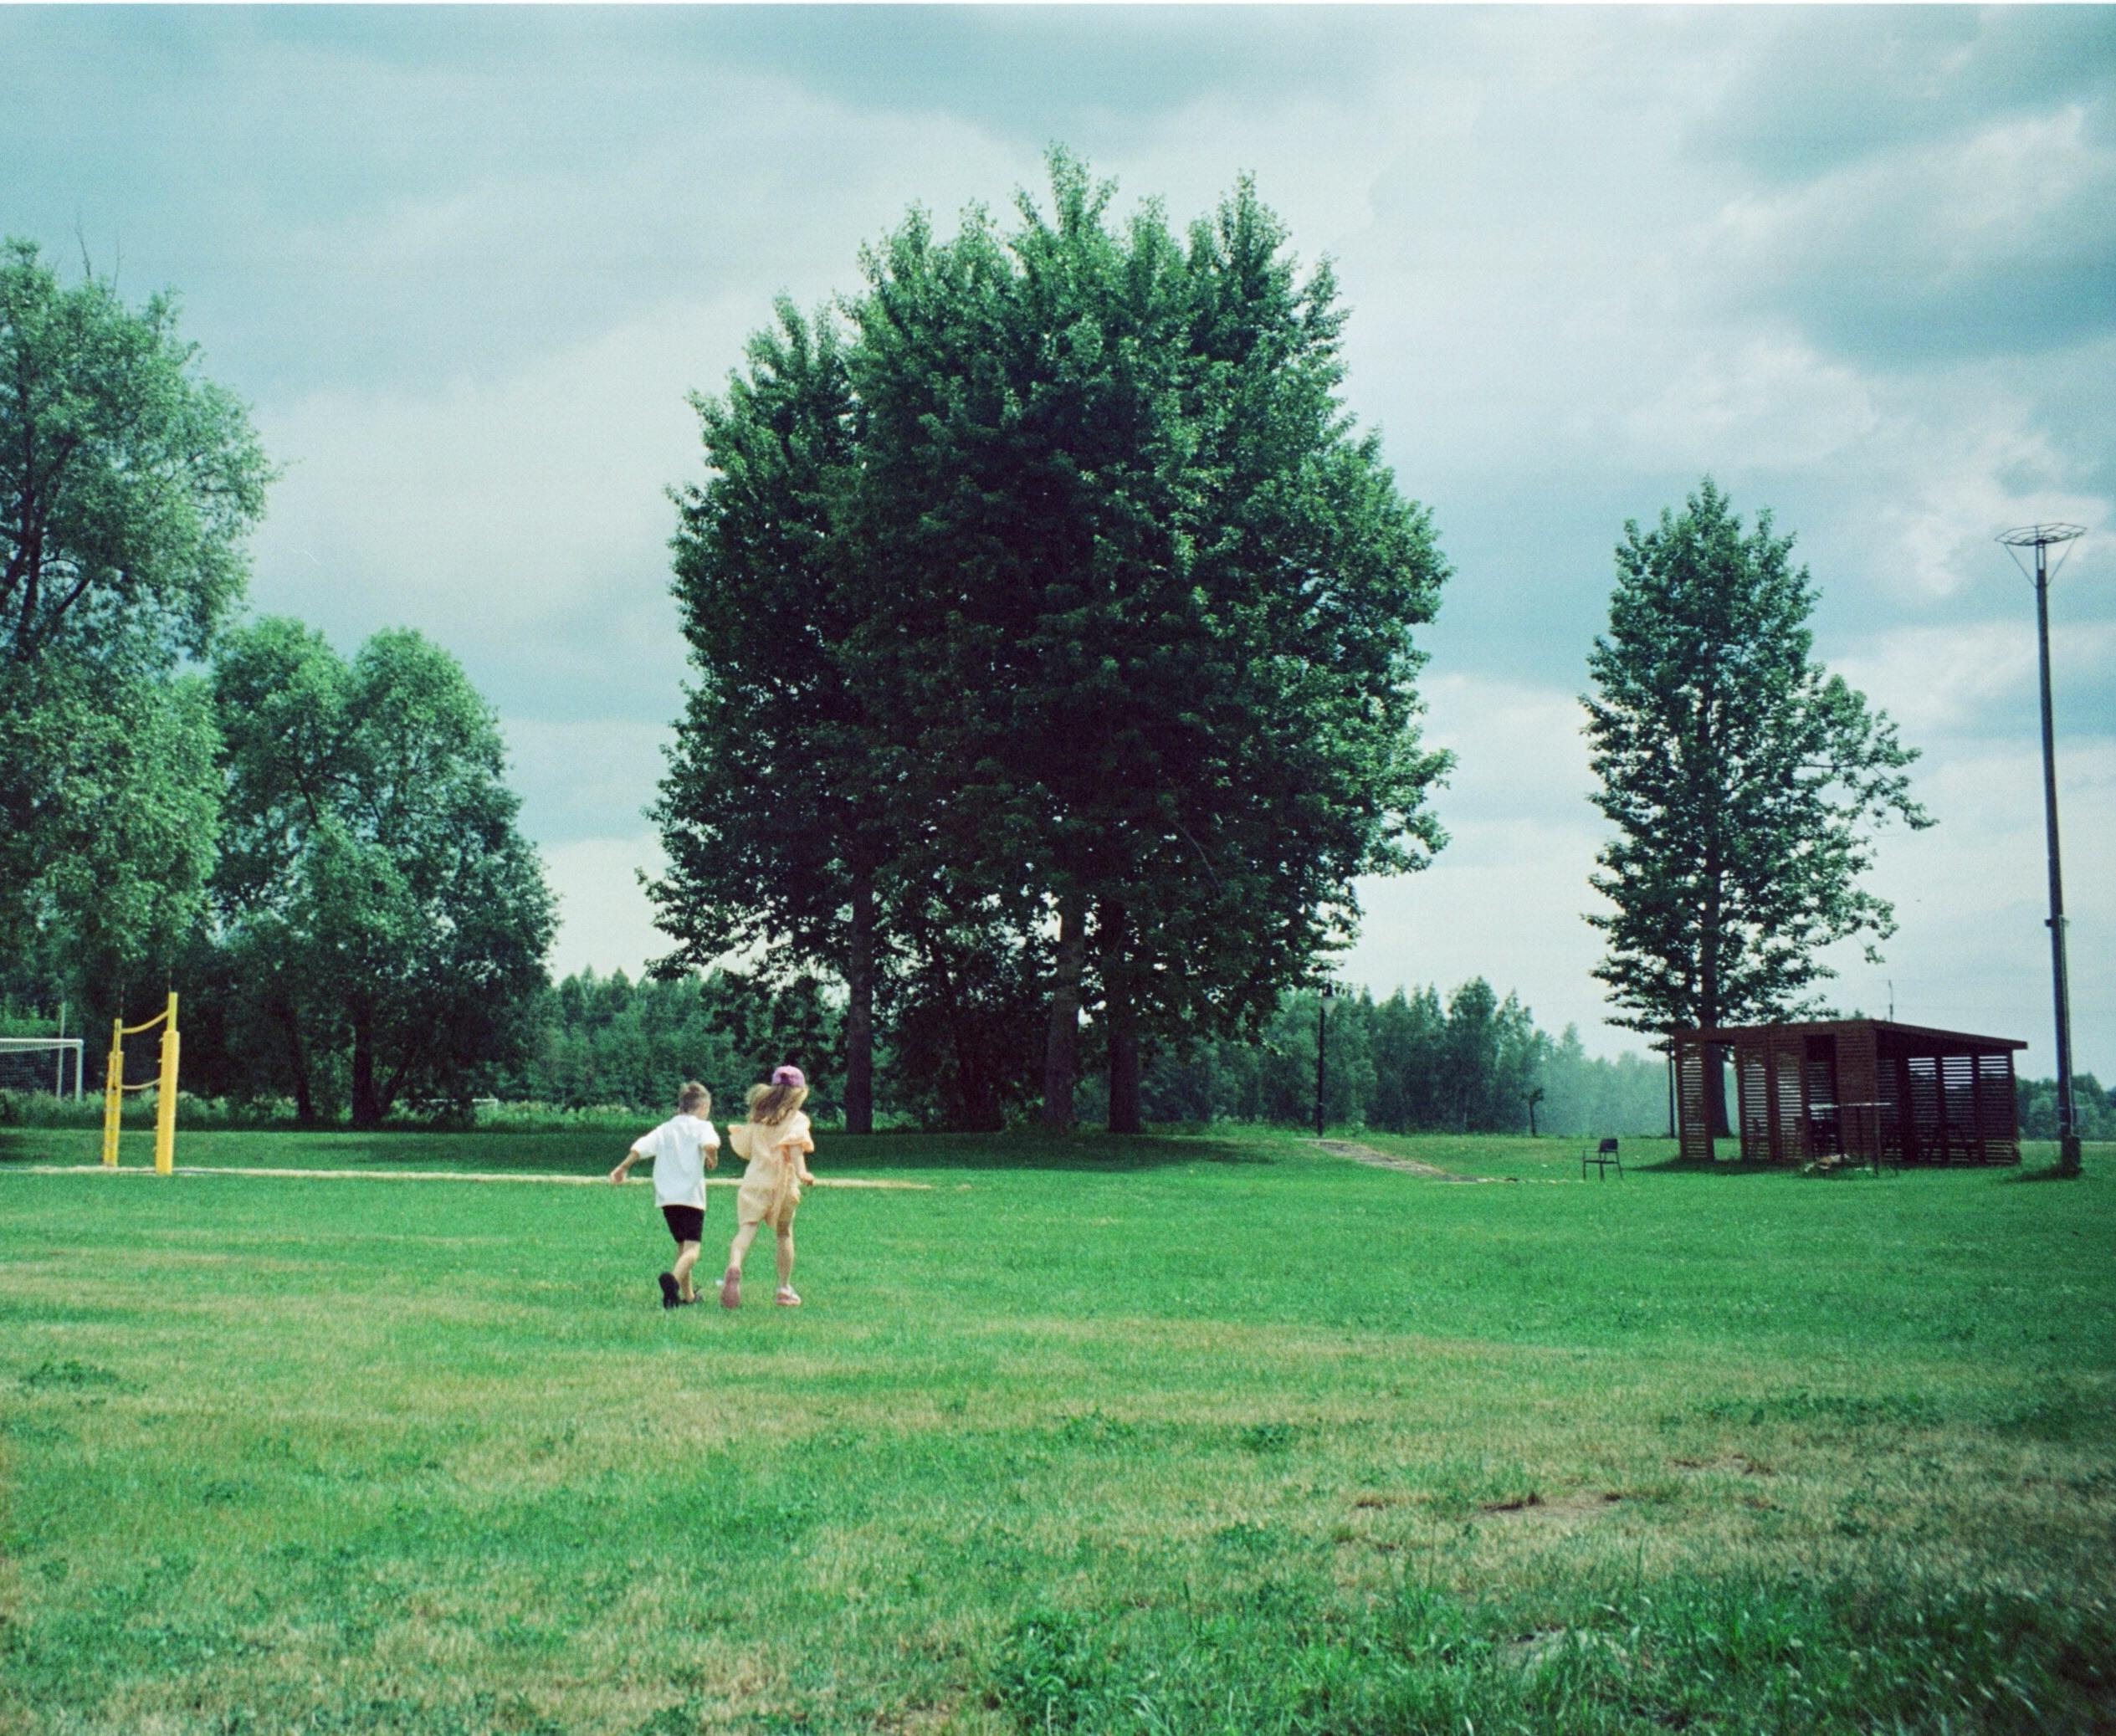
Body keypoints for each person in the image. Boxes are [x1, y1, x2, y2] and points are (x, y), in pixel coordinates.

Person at [609, 1081, 720, 1308]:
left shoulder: (665, 1128)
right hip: (691, 1197)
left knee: (681, 1245)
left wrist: (623, 1167)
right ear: (702, 1108)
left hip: (667, 1197)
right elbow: (710, 1145)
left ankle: (687, 1297)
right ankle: (673, 1280)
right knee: (693, 1249)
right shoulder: (703, 1127)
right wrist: (713, 1159)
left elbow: (641, 1147)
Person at [721, 1064, 817, 1309]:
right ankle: (784, 1288)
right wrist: (802, 1171)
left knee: (747, 1228)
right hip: (782, 1185)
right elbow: (795, 1148)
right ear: (800, 1093)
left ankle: (734, 1265)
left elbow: (744, 1149)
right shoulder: (797, 1120)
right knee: (784, 1233)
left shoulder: (759, 1119)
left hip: (755, 1182)